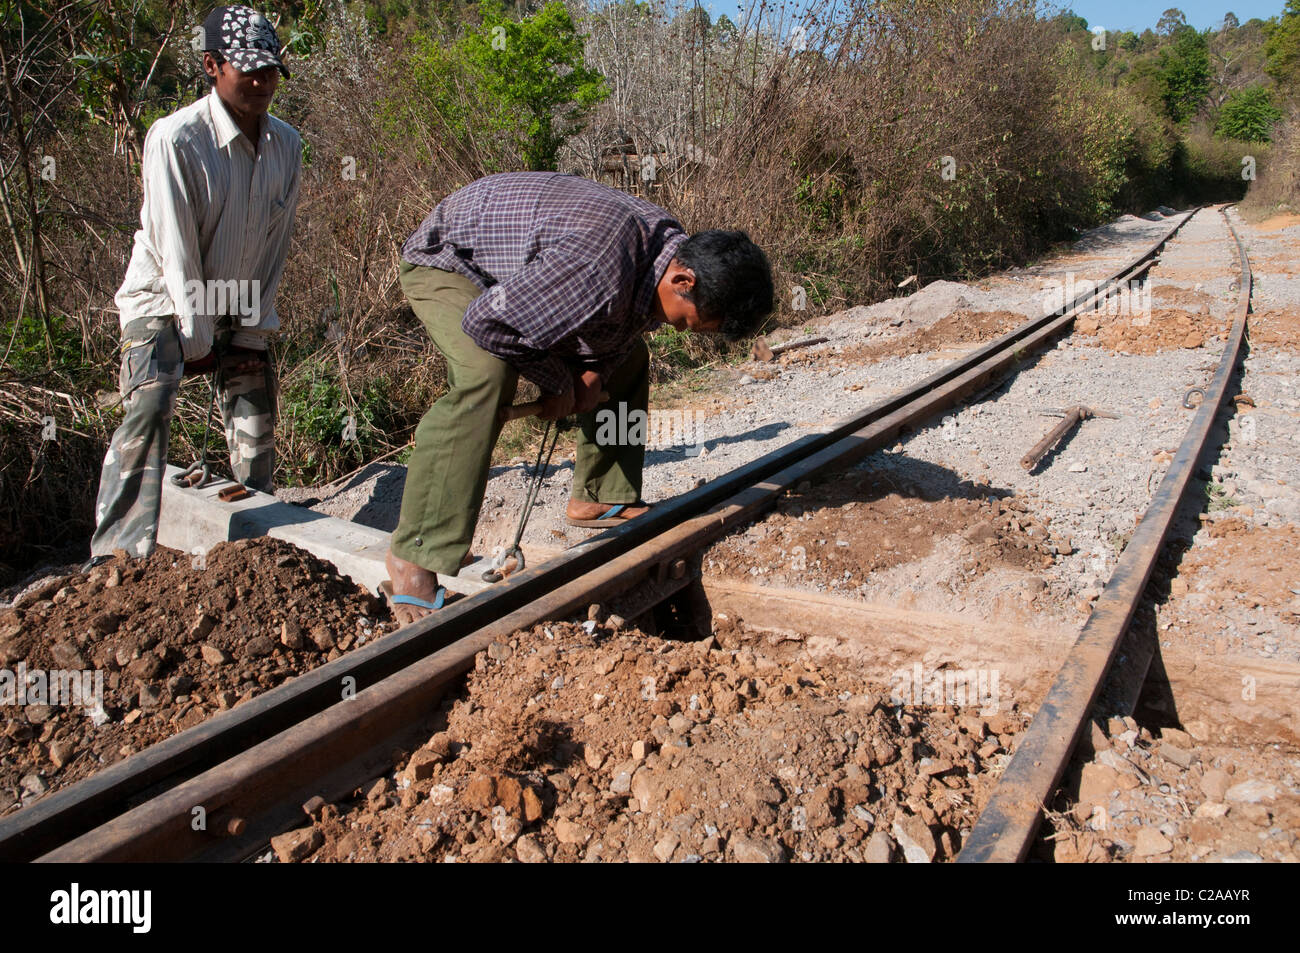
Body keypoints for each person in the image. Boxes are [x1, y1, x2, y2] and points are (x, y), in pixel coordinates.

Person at [383, 171, 773, 622]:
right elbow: (487, 324)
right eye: (688, 321)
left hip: (525, 275)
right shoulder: (599, 266)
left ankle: (600, 494)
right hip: (451, 261)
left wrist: (594, 373)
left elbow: (625, 328)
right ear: (684, 279)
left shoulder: (666, 255)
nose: (682, 329)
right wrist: (560, 384)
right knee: (486, 375)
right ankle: (414, 553)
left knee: (629, 363)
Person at [88, 5, 299, 565]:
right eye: (247, 69)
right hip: (163, 295)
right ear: (212, 65)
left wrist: (254, 326)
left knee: (254, 407)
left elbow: (274, 245)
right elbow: (176, 246)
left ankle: (258, 540)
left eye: (271, 70)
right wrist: (195, 335)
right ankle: (117, 553)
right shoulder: (176, 138)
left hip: (235, 293)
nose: (261, 82)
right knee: (151, 404)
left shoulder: (287, 145)